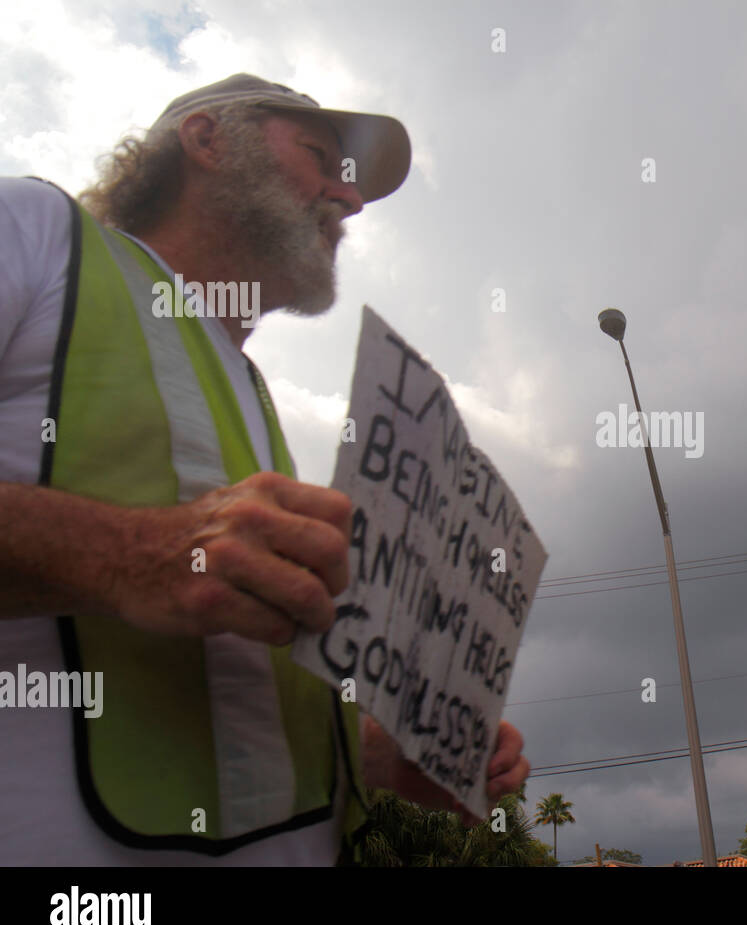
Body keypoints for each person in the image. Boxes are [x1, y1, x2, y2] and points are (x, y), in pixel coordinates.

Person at [0, 73, 529, 864]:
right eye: (321, 157)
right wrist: (142, 557)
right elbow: (169, 565)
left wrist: (390, 758)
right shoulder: (34, 231)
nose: (348, 204)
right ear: (206, 139)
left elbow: (231, 691)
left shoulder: (249, 397)